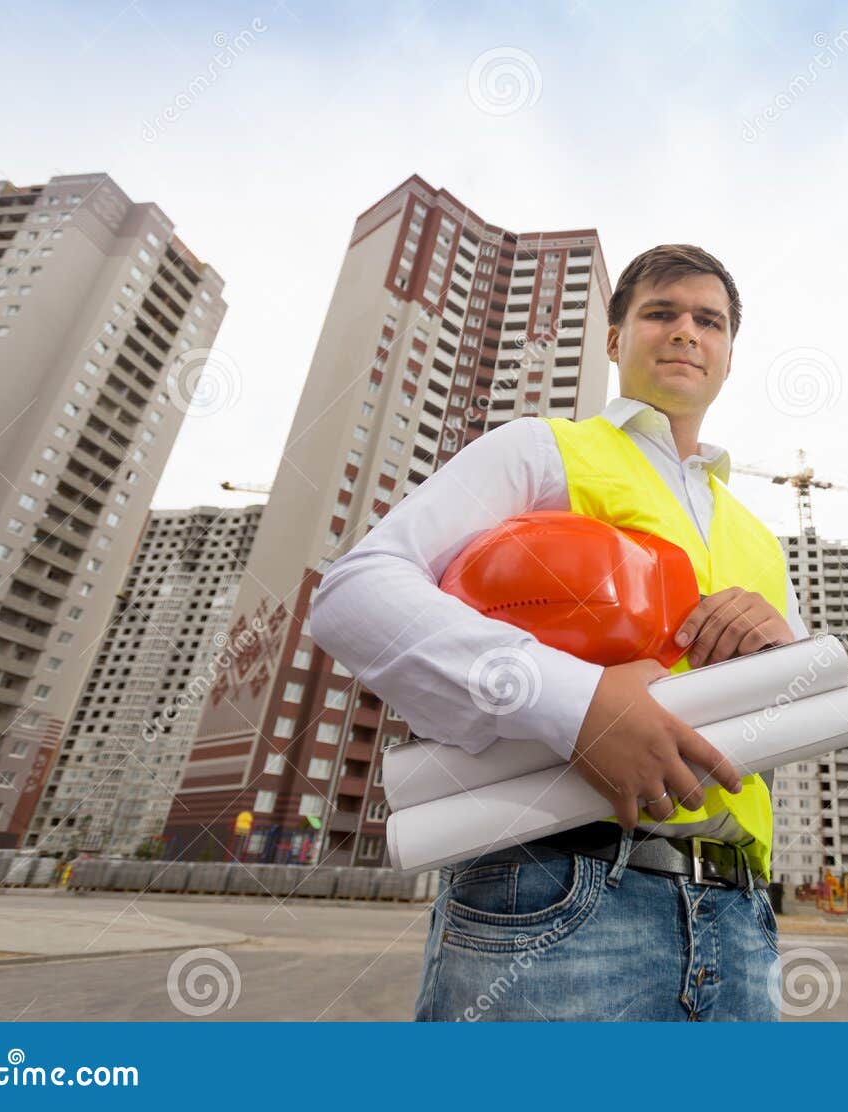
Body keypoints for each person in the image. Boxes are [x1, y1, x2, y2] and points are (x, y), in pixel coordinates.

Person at [312, 244, 808, 1021]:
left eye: (708, 322)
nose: (686, 332)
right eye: (661, 313)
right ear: (614, 339)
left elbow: (796, 714)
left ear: (728, 356)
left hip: (739, 912)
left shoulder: (761, 539)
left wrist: (786, 650)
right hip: (557, 890)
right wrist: (580, 705)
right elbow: (357, 592)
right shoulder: (547, 450)